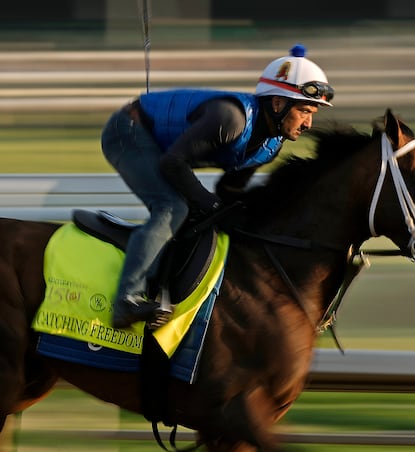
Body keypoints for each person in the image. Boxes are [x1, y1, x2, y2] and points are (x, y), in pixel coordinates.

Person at [101, 43, 334, 329]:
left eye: (312, 114)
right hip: (128, 132)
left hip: (168, 152)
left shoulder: (271, 146)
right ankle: (127, 300)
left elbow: (230, 192)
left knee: (212, 214)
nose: (309, 123)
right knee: (172, 207)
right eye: (305, 111)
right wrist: (208, 202)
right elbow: (172, 164)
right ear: (277, 104)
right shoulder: (230, 119)